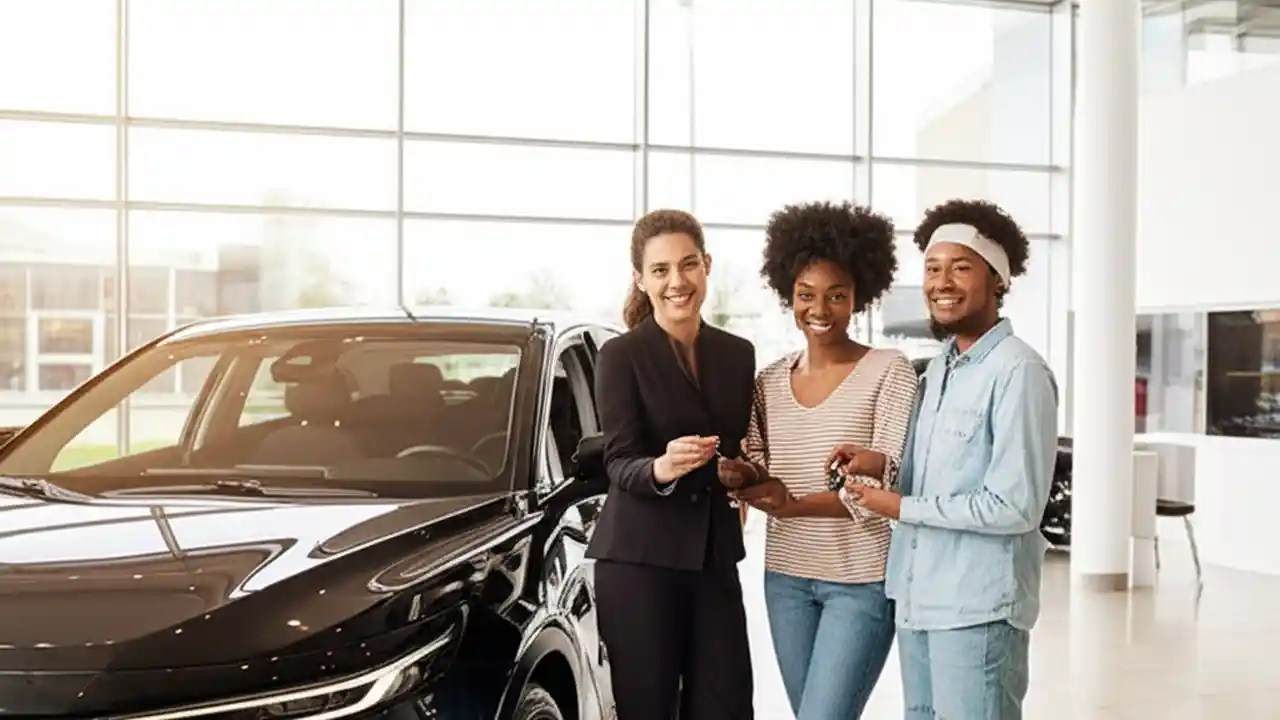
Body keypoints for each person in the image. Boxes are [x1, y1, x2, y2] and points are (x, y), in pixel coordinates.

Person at [828, 199, 1059, 719]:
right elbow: (927, 480)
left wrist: (898, 507)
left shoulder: (1018, 373)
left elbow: (1013, 506)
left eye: (961, 267)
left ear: (997, 280)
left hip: (977, 612)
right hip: (919, 601)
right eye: (933, 269)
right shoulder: (937, 372)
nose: (942, 282)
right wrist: (878, 464)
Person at [719, 200, 918, 719]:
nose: (820, 310)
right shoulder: (768, 381)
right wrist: (739, 476)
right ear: (789, 295)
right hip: (785, 580)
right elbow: (759, 467)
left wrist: (793, 504)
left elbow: (886, 487)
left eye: (837, 295)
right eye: (806, 295)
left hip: (861, 584)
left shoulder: (890, 371)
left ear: (859, 297)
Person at [585, 208, 756, 720]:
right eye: (660, 270)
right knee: (649, 709)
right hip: (639, 562)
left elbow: (737, 448)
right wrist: (661, 467)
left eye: (687, 265)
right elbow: (617, 460)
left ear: (707, 265)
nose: (676, 282)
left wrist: (739, 473)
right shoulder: (621, 356)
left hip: (713, 558)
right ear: (640, 278)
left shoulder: (738, 353)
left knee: (727, 706)